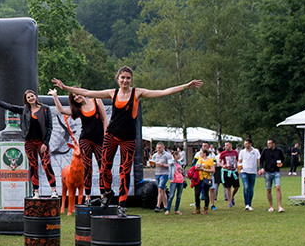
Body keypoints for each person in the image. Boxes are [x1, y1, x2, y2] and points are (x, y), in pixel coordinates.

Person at [53, 67, 202, 216]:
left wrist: (185, 86)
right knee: (104, 168)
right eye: (122, 77)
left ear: (131, 80)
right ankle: (108, 193)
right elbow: (86, 92)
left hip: (128, 139)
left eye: (128, 78)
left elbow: (163, 92)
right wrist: (65, 87)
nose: (125, 80)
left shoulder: (137, 93)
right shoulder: (113, 93)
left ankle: (121, 206)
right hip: (111, 136)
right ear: (118, 79)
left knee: (124, 171)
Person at [0, 90, 58, 198]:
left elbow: (49, 127)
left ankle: (54, 191)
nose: (31, 98)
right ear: (26, 100)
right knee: (33, 166)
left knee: (47, 165)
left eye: (32, 96)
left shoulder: (45, 109)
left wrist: (45, 143)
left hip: (42, 142)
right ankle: (36, 192)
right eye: (28, 97)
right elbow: (9, 107)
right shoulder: (25, 110)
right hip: (30, 142)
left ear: (35, 96)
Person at [48, 88, 107, 201]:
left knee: (103, 167)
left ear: (82, 92)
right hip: (85, 140)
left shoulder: (97, 101)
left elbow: (105, 120)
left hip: (99, 140)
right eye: (74, 97)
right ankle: (88, 198)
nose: (76, 97)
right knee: (87, 168)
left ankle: (103, 196)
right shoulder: (78, 109)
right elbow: (61, 110)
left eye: (77, 95)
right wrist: (55, 95)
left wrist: (106, 138)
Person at [258, 138, 285, 213]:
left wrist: (282, 163)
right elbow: (261, 160)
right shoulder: (265, 150)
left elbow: (283, 159)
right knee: (268, 189)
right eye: (268, 143)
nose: (268, 145)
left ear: (273, 144)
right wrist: (261, 168)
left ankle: (279, 206)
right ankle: (271, 206)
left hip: (276, 171)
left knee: (278, 187)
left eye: (270, 143)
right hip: (267, 172)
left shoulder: (279, 150)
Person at [238, 138, 260, 211]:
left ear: (250, 144)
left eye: (247, 144)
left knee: (251, 189)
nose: (245, 145)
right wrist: (239, 167)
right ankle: (246, 204)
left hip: (253, 172)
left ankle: (249, 204)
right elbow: (239, 161)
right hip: (244, 171)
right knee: (246, 187)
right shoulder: (242, 152)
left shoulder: (256, 151)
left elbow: (259, 160)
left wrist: (260, 168)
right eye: (245, 144)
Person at [192, 149, 215, 214]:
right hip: (198, 179)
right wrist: (198, 167)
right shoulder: (199, 160)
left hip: (206, 179)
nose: (200, 154)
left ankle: (206, 209)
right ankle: (197, 208)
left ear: (205, 153)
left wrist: (204, 169)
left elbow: (213, 170)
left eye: (201, 153)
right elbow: (196, 167)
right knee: (196, 194)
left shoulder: (210, 161)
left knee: (205, 194)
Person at [218, 141, 240, 208]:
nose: (226, 147)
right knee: (228, 187)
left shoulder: (235, 152)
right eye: (225, 145)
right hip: (227, 171)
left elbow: (237, 160)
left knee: (236, 186)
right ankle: (230, 202)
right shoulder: (223, 153)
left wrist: (238, 167)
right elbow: (219, 162)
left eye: (227, 145)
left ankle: (232, 197)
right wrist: (223, 165)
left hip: (234, 171)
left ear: (231, 145)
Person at [151, 142, 171, 211]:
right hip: (157, 173)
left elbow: (170, 165)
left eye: (159, 148)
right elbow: (152, 163)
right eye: (157, 148)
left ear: (163, 147)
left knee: (160, 189)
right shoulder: (155, 155)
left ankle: (158, 205)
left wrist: (162, 165)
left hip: (165, 174)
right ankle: (166, 206)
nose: (158, 149)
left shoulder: (168, 155)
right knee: (162, 190)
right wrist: (152, 164)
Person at [165, 148, 184, 216]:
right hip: (174, 181)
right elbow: (170, 164)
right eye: (178, 155)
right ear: (175, 155)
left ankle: (176, 210)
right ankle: (168, 210)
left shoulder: (179, 163)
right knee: (171, 196)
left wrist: (181, 169)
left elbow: (181, 172)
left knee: (178, 196)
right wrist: (174, 160)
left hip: (180, 180)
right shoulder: (171, 162)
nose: (179, 156)